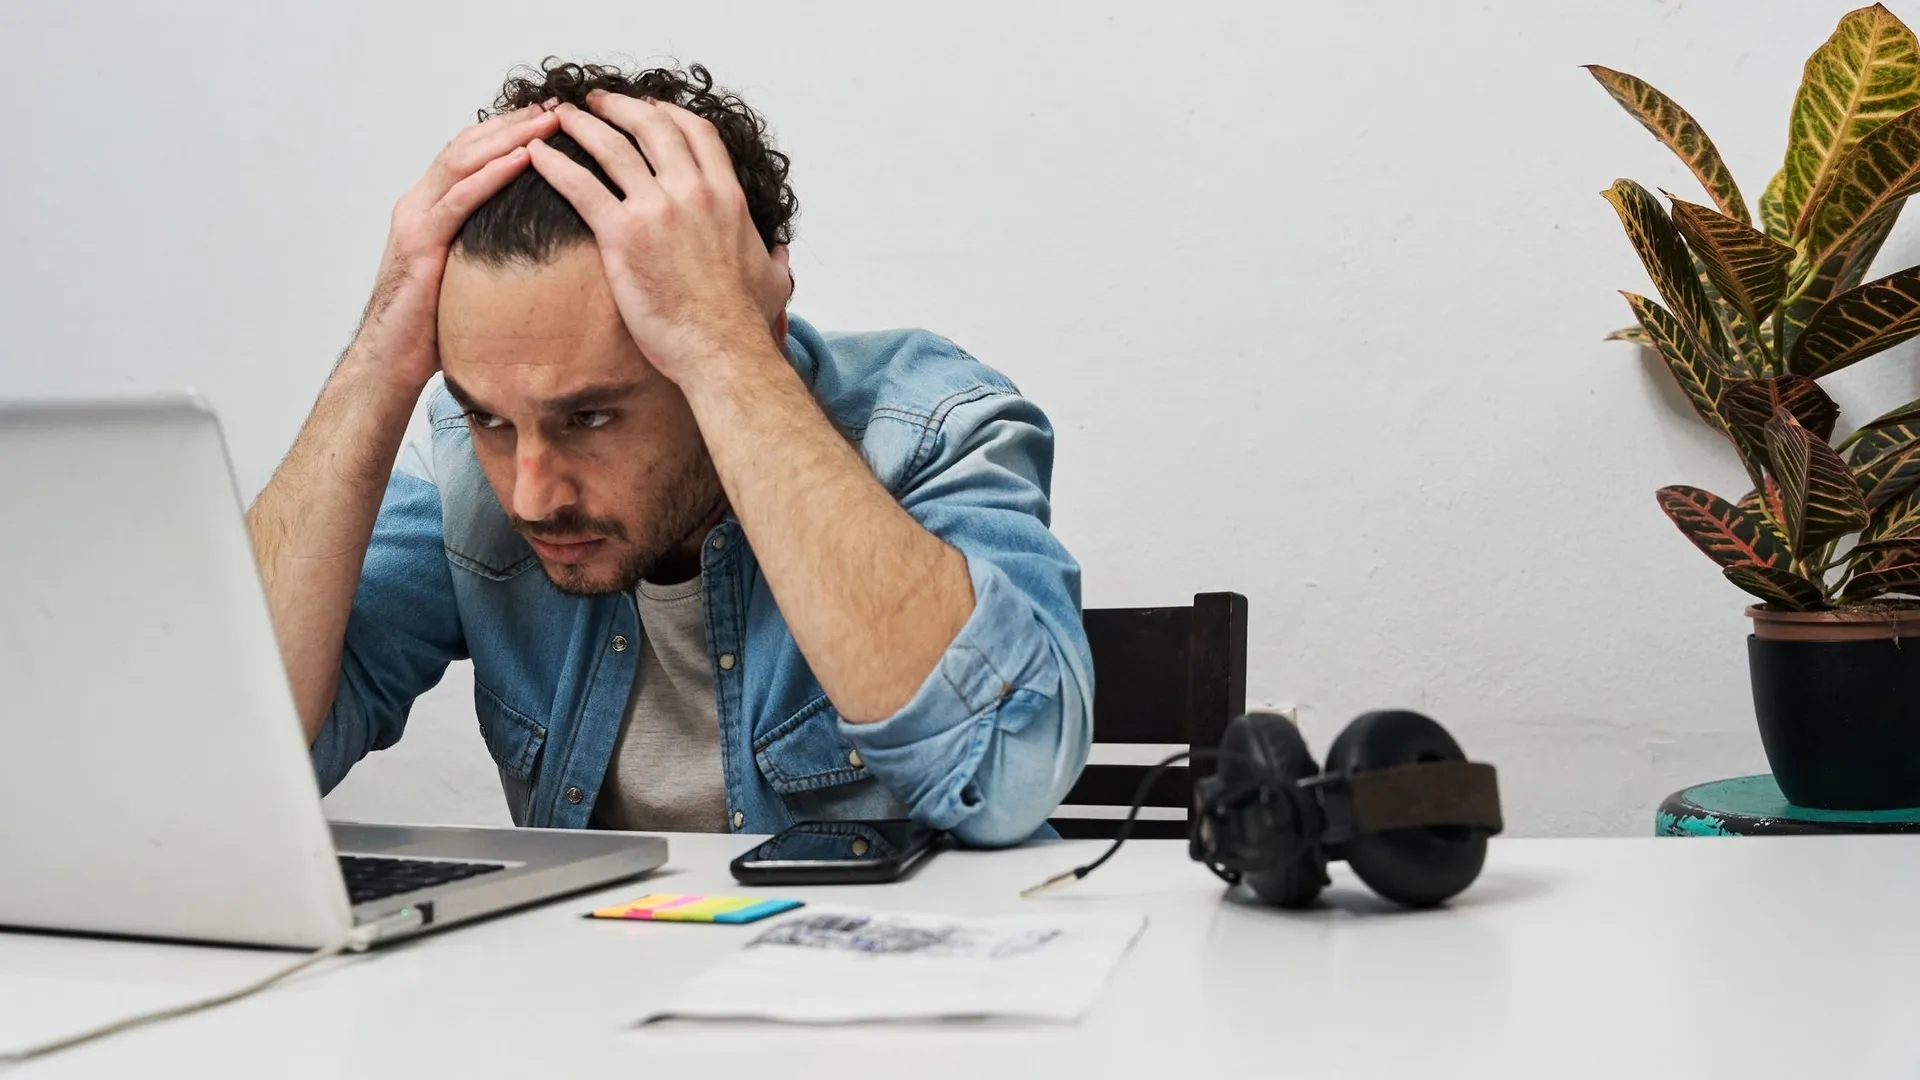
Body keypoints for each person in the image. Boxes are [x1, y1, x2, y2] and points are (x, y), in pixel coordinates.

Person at [246, 60, 1094, 847]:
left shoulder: (928, 423)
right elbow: (238, 765)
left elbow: (1006, 777)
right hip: (595, 993)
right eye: (490, 419)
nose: (532, 495)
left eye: (591, 417)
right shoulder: (464, 475)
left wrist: (728, 350)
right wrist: (374, 371)